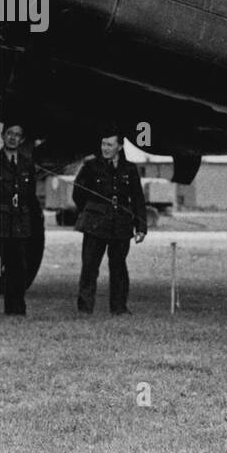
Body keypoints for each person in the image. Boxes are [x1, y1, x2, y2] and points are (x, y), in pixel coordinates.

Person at [73, 128, 147, 315]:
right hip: (95, 224)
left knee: (119, 267)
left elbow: (137, 198)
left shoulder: (129, 169)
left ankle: (119, 308)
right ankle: (85, 308)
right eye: (103, 144)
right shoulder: (91, 166)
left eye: (109, 145)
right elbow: (78, 194)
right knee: (90, 267)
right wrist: (91, 212)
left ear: (120, 147)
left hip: (120, 224)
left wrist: (141, 227)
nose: (105, 148)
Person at [0, 121, 39, 318]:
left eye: (17, 135)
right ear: (3, 136)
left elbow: (30, 197)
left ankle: (16, 309)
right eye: (9, 133)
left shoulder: (27, 164)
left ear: (22, 140)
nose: (13, 137)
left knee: (17, 269)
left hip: (19, 226)